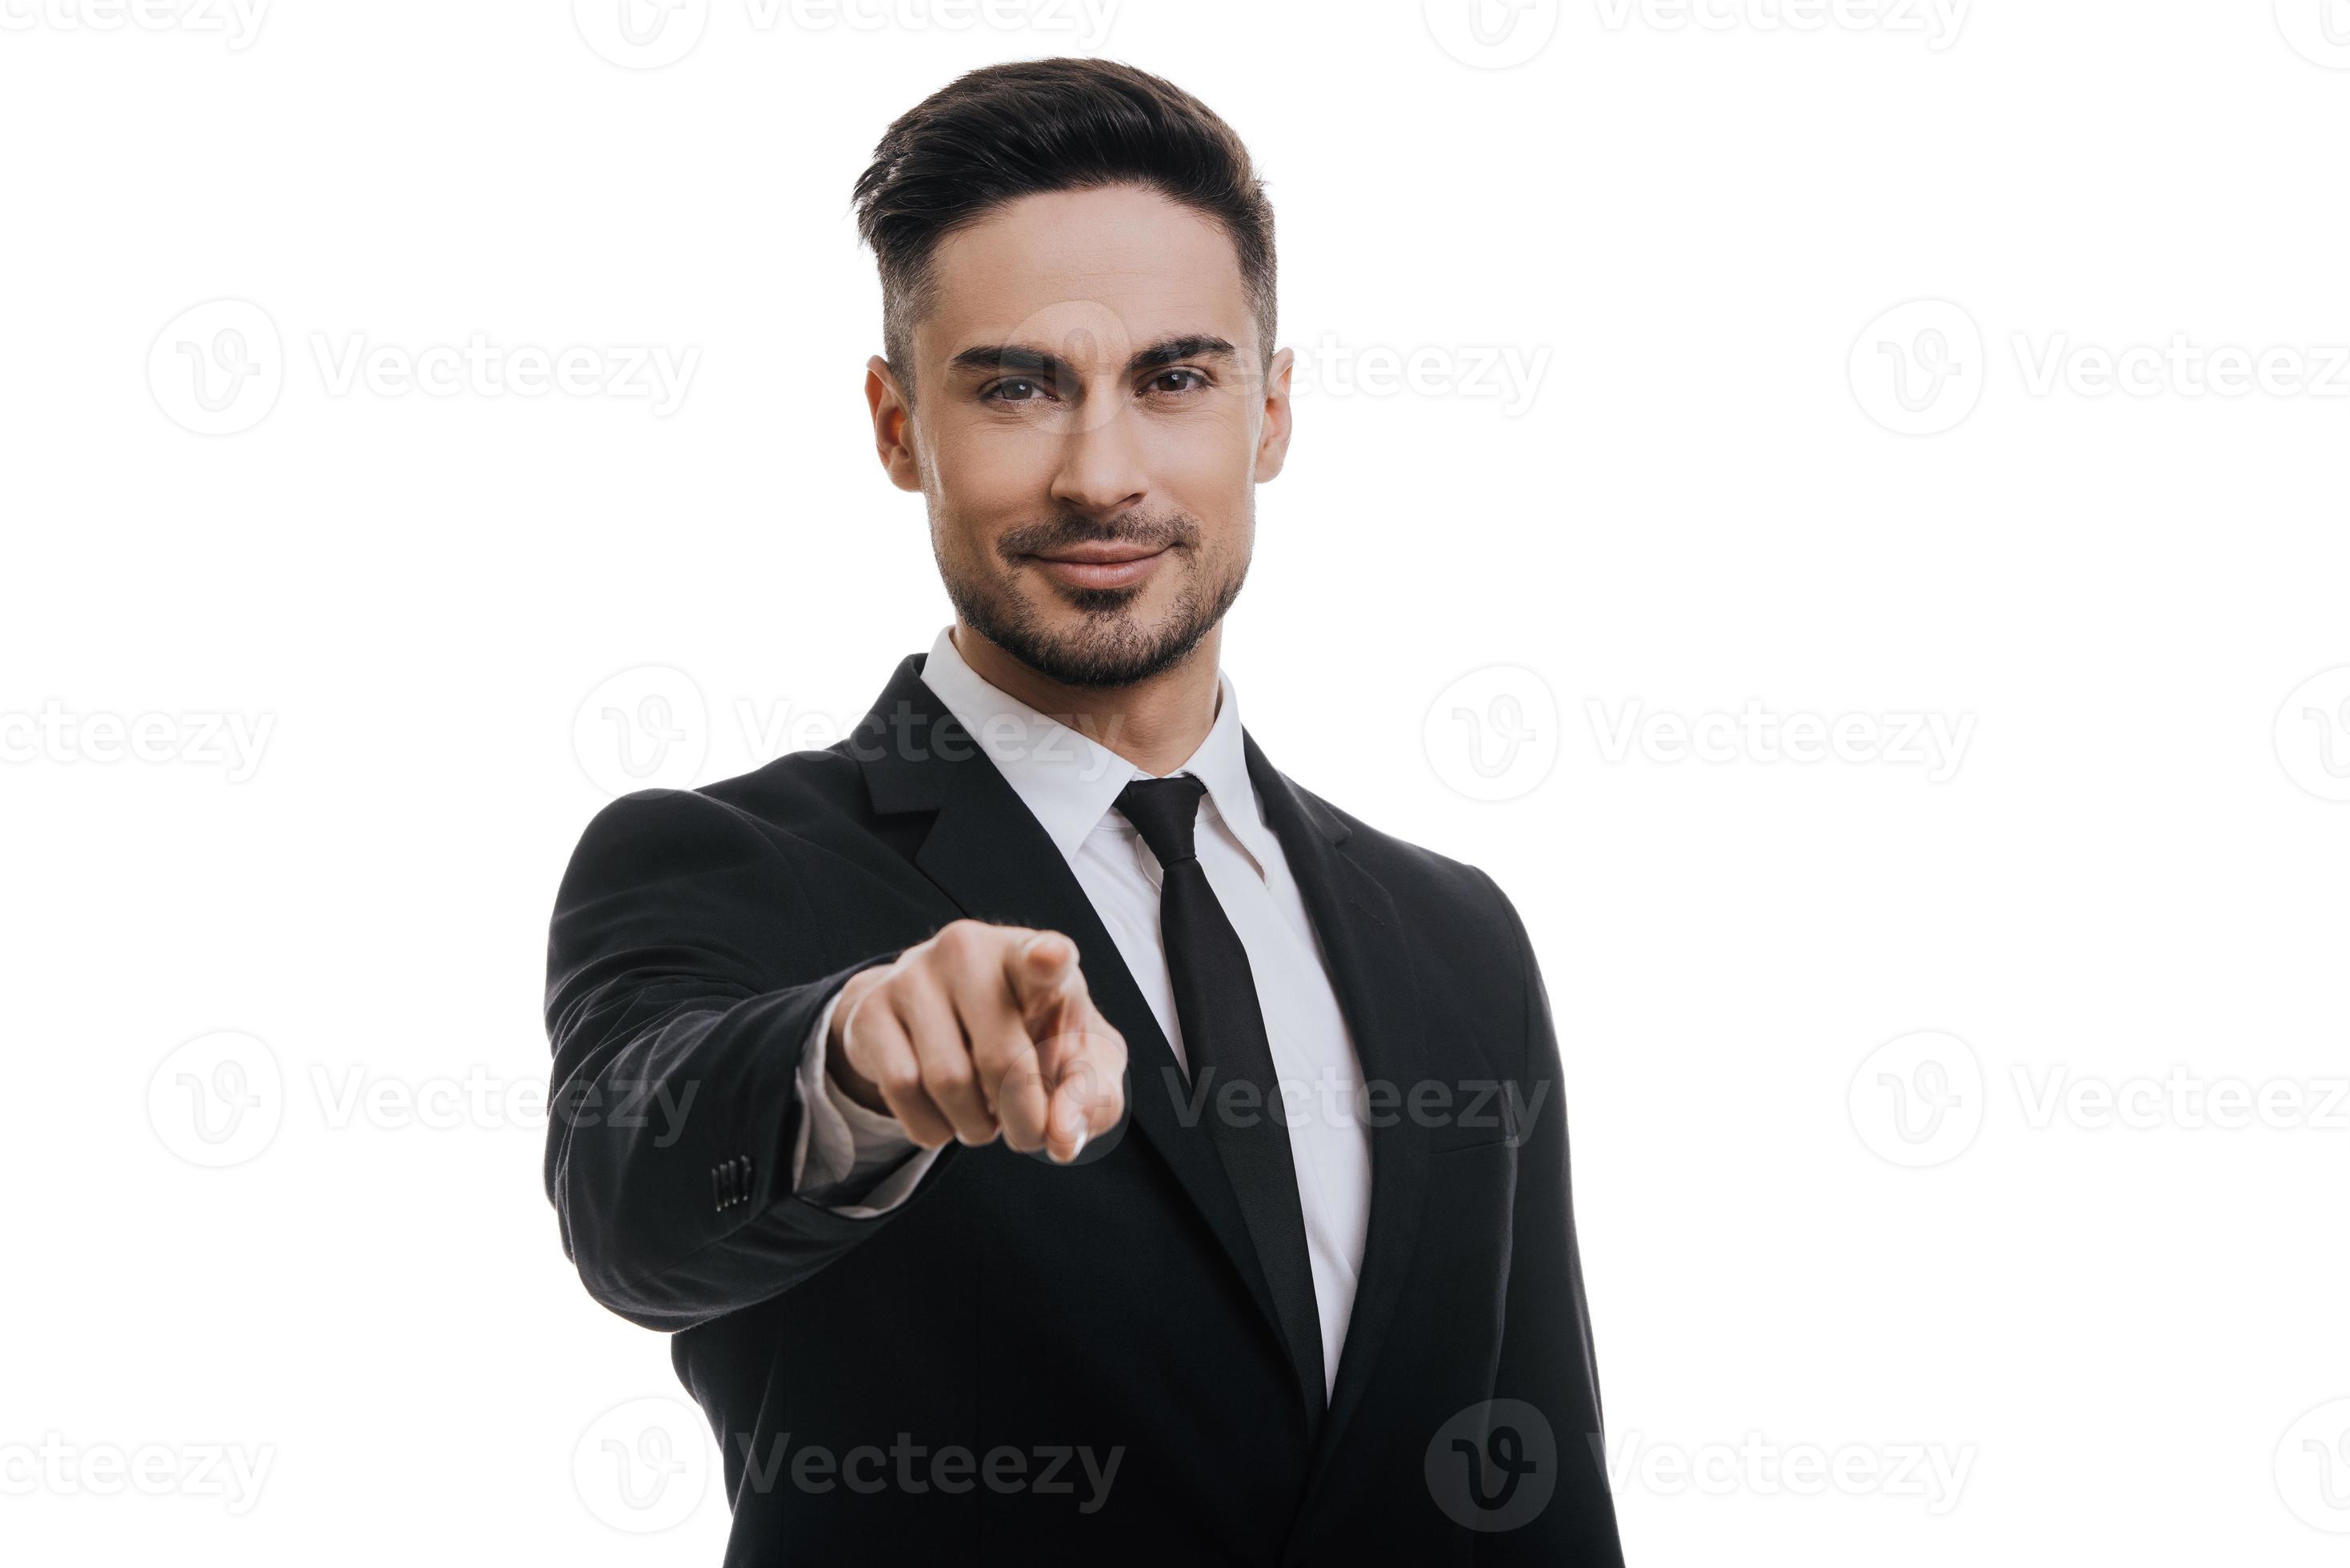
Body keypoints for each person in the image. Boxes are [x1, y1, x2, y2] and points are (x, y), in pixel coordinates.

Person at [543, 56, 1623, 1566]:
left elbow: (1529, 1481)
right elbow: (630, 1198)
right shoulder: (723, 864)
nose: (1100, 473)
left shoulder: (1458, 939)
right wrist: (854, 1059)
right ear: (897, 425)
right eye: (1015, 387)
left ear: (1272, 411)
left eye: (1175, 379)